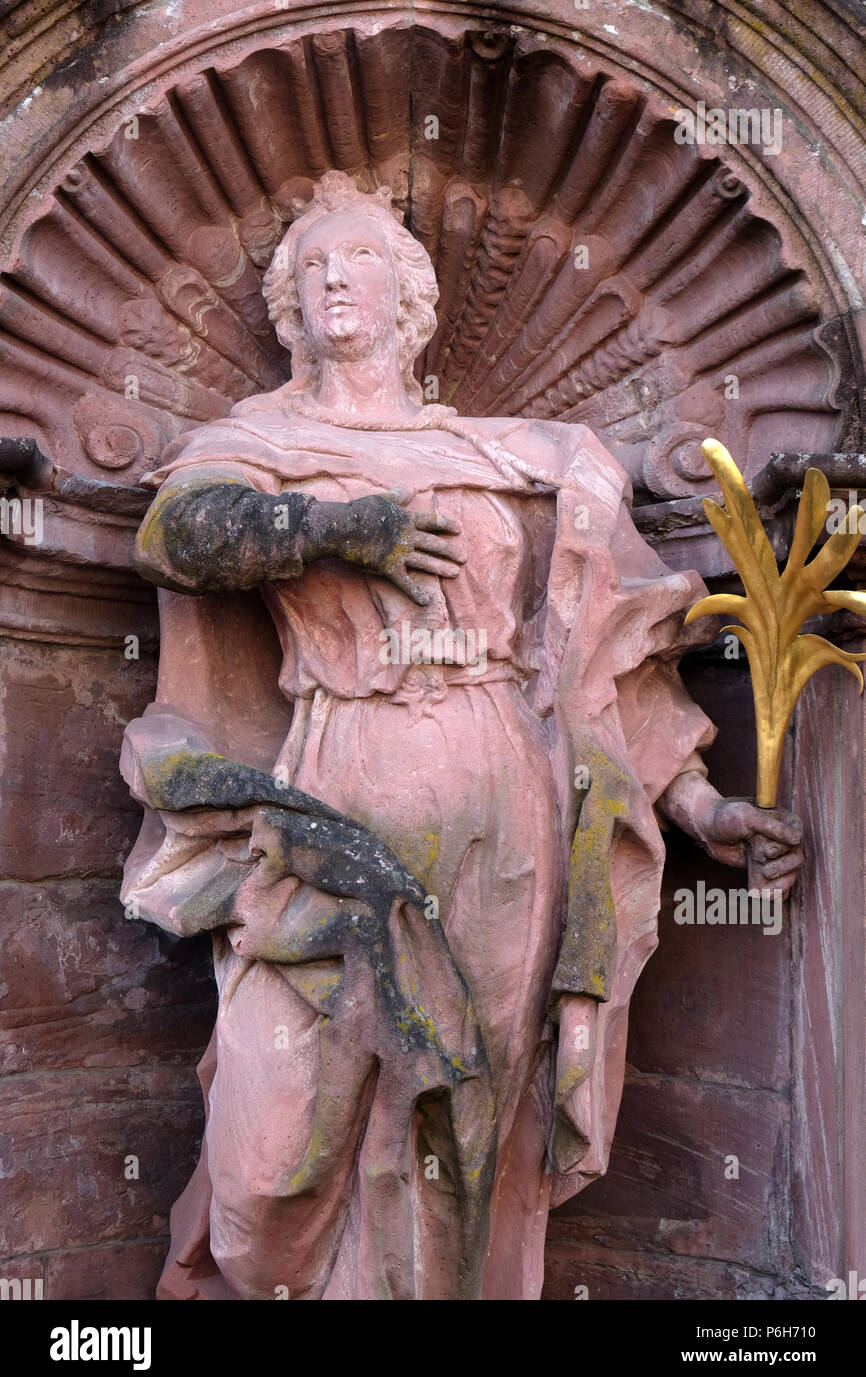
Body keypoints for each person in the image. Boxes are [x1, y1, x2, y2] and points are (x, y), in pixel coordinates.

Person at [121, 170, 803, 1300]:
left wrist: (700, 807)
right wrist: (339, 527)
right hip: (333, 781)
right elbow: (178, 533)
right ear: (289, 305)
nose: (335, 278)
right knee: (269, 1140)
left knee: (462, 1109)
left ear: (409, 298)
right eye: (311, 266)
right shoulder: (255, 442)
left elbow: (600, 665)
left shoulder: (519, 458)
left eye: (360, 259)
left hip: (502, 795)